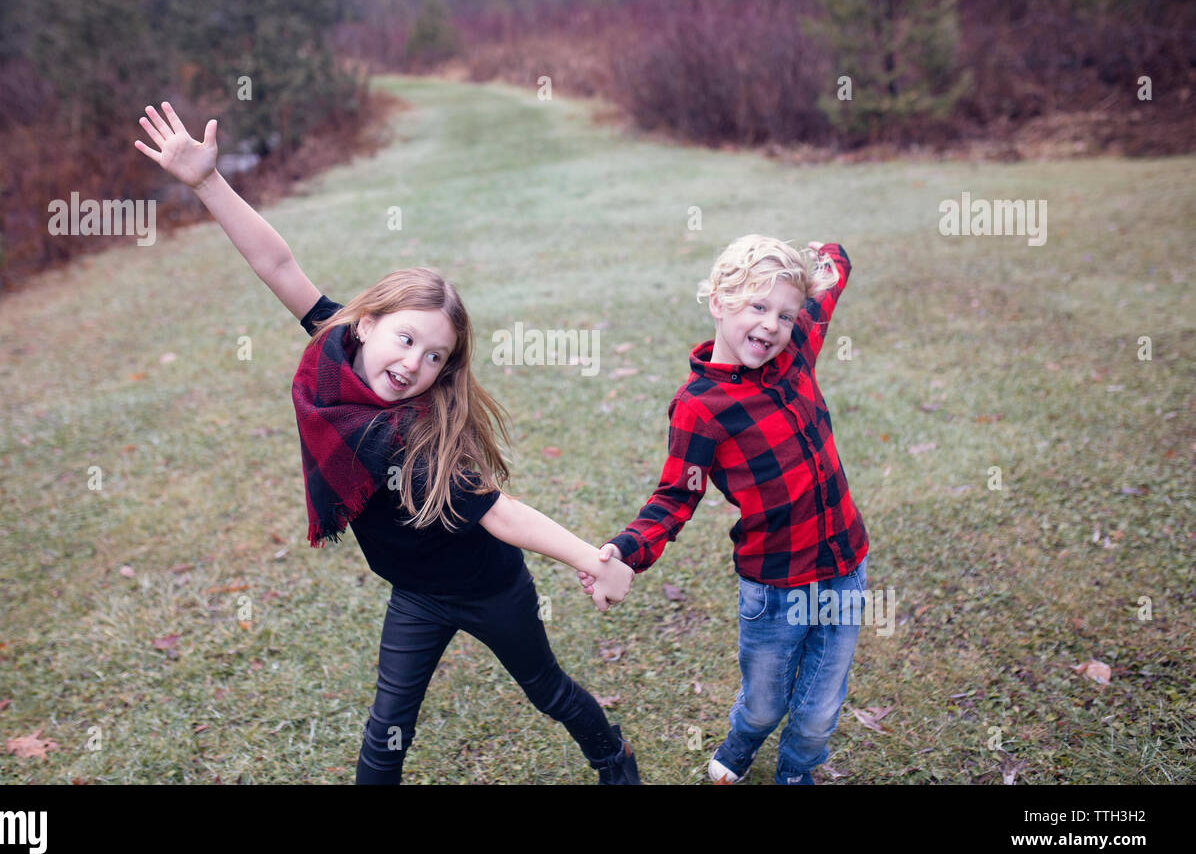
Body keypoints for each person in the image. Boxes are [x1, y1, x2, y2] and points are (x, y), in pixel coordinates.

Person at [134, 101, 638, 784]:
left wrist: (592, 558)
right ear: (366, 323)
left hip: (491, 589)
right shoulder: (334, 351)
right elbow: (278, 265)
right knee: (386, 733)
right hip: (416, 594)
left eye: (435, 358)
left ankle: (612, 756)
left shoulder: (417, 437)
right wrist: (207, 184)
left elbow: (501, 513)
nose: (414, 365)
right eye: (407, 339)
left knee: (547, 690)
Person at [579, 234, 870, 784]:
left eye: (784, 314)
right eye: (756, 307)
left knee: (818, 713)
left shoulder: (796, 350)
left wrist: (830, 252)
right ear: (717, 301)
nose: (771, 326)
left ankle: (794, 774)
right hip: (775, 586)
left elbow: (828, 289)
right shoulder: (699, 409)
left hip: (844, 567)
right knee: (764, 703)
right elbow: (675, 497)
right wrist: (626, 549)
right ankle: (742, 741)